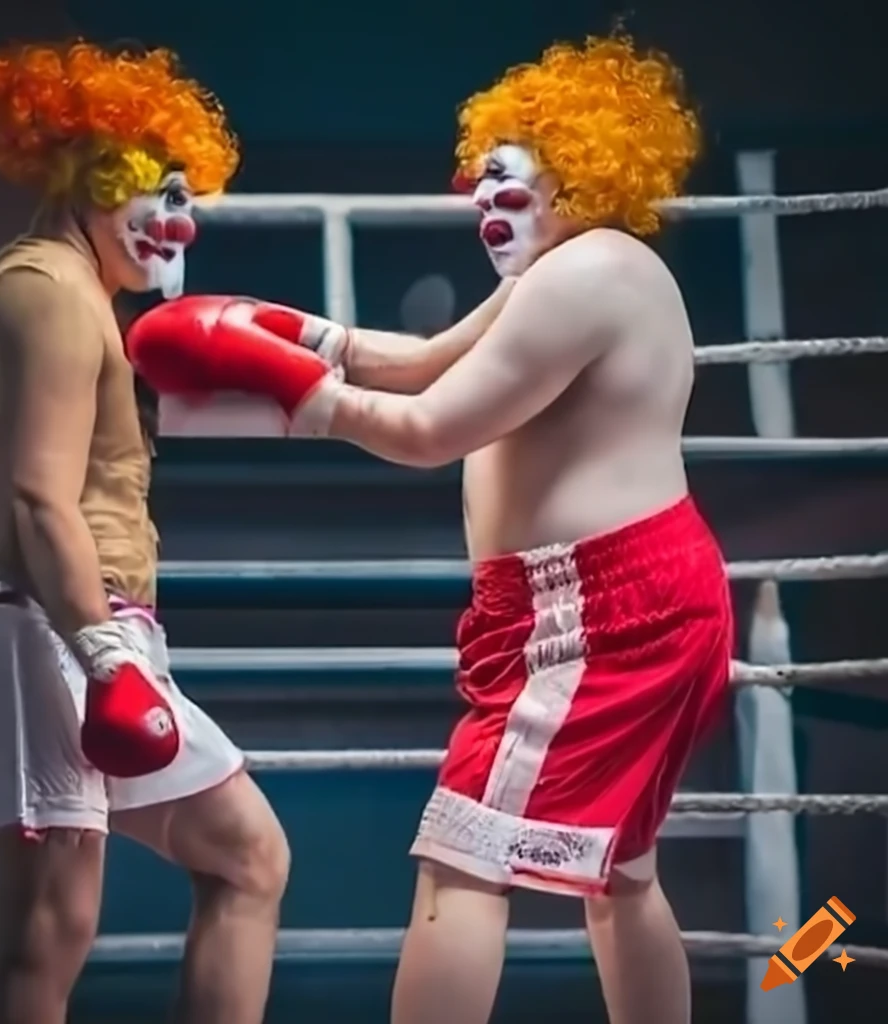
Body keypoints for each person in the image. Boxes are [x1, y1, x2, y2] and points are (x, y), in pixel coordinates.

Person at [127, 33, 732, 1024]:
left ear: (579, 165)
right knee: (619, 873)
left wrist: (294, 386)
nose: (482, 201)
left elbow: (428, 426)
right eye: (477, 184)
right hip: (617, 595)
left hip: (597, 609)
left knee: (462, 860)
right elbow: (415, 363)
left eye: (504, 179)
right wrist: (283, 329)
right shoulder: (563, 273)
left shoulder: (591, 277)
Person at [0, 42, 288, 1024]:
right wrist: (100, 655)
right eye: (153, 189)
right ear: (92, 177)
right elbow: (43, 500)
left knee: (247, 854)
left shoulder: (66, 291)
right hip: (55, 630)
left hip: (68, 626)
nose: (176, 221)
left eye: (185, 196)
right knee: (48, 929)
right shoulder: (44, 291)